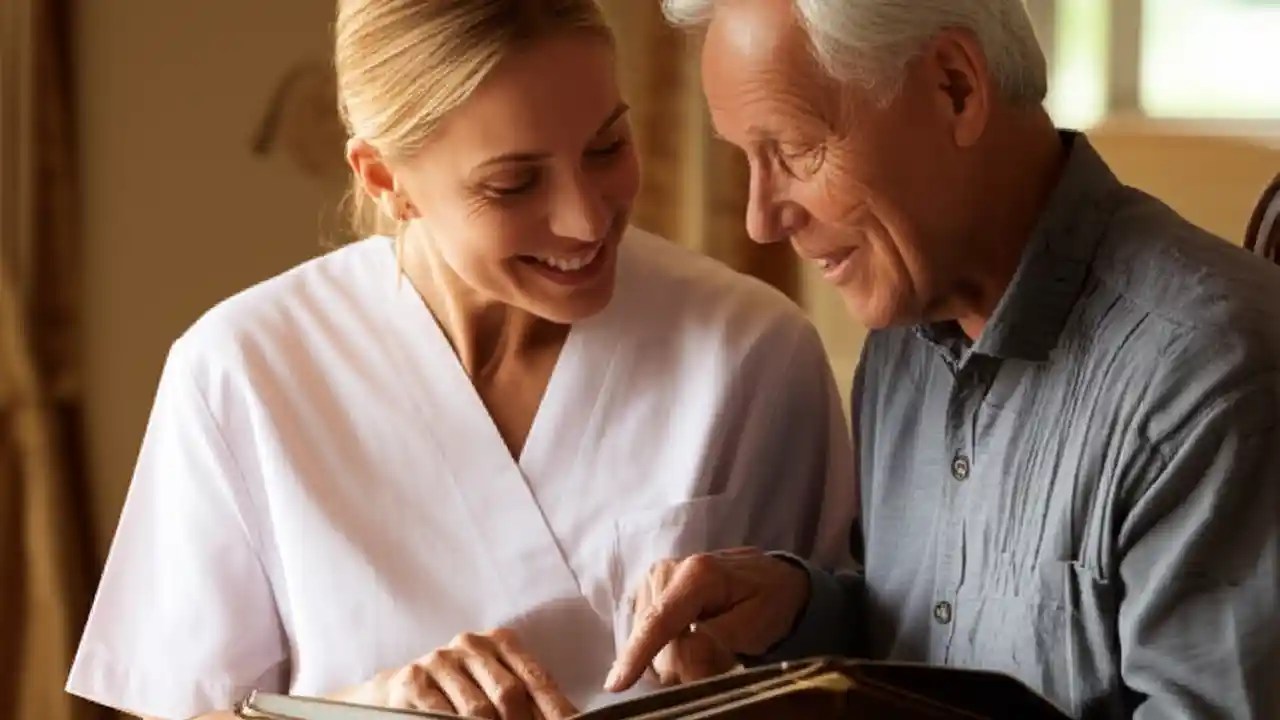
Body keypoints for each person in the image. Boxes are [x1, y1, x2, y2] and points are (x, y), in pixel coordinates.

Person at [64, 1, 858, 718]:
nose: (586, 220)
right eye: (514, 185)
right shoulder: (242, 371)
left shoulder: (752, 350)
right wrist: (367, 710)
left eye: (607, 146)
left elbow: (865, 670)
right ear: (384, 179)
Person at [605, 0, 1280, 718]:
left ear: (955, 87)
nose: (761, 219)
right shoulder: (903, 342)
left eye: (797, 150)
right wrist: (794, 609)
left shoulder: (1213, 376)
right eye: (747, 159)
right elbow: (931, 633)